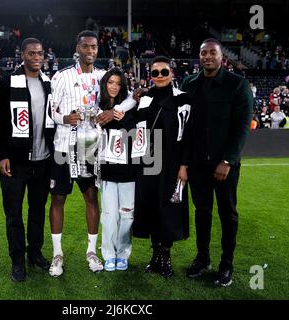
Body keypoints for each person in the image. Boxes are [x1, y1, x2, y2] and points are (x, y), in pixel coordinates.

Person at [48, 30, 136, 277]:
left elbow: (129, 98)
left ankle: (91, 251)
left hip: (92, 149)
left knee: (91, 199)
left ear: (98, 49)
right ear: (78, 48)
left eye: (94, 47)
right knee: (58, 199)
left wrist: (113, 111)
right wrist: (64, 118)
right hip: (63, 147)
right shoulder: (61, 77)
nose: (90, 51)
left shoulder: (103, 76)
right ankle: (57, 254)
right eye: (86, 47)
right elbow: (50, 112)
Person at [181, 39, 253, 287]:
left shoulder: (238, 84)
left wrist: (227, 160)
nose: (207, 56)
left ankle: (227, 264)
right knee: (202, 212)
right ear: (199, 57)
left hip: (225, 165)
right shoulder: (188, 84)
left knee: (227, 214)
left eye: (213, 52)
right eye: (203, 53)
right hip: (197, 165)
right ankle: (203, 259)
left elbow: (242, 128)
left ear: (222, 57)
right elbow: (184, 127)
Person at [0, 38, 55, 282]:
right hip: (16, 163)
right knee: (14, 215)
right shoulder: (7, 83)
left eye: (40, 53)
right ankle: (17, 261)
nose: (37, 57)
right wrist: (2, 155)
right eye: (31, 53)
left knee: (38, 211)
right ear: (23, 55)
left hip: (43, 160)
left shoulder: (48, 83)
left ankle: (34, 253)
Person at [133, 56, 191, 279]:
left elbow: (188, 136)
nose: (159, 76)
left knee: (169, 209)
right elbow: (136, 127)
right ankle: (155, 255)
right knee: (151, 208)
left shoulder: (183, 99)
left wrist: (184, 165)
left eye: (163, 72)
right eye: (155, 73)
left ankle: (166, 256)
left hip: (173, 161)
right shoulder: (145, 98)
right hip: (148, 159)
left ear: (172, 74)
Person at [98, 68, 137, 272]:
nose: (114, 86)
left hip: (129, 169)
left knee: (127, 215)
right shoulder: (99, 107)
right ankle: (108, 254)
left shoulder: (131, 107)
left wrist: (123, 119)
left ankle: (123, 253)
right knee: (109, 214)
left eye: (118, 83)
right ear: (105, 84)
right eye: (110, 82)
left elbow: (136, 135)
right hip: (107, 169)